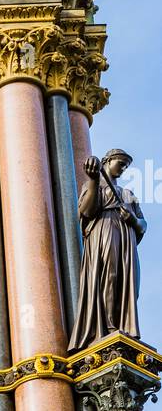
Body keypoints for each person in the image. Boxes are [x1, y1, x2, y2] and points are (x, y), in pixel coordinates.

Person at [69, 150, 146, 351]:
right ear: (107, 161)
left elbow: (143, 224)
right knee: (109, 276)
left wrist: (133, 220)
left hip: (125, 240)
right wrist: (94, 181)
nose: (122, 169)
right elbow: (86, 211)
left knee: (127, 282)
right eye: (120, 163)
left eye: (126, 166)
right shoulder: (92, 186)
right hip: (105, 231)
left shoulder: (128, 195)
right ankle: (108, 325)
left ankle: (122, 324)